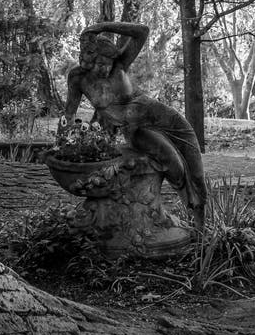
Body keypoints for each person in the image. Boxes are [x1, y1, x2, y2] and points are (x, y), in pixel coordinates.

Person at [64, 21, 207, 228]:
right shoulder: (78, 78)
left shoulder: (121, 63)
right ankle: (160, 221)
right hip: (136, 129)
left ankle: (201, 229)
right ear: (89, 59)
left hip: (164, 118)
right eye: (99, 63)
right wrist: (66, 140)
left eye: (107, 63)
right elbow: (69, 113)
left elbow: (142, 31)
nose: (104, 68)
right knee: (174, 165)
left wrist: (101, 27)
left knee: (196, 173)